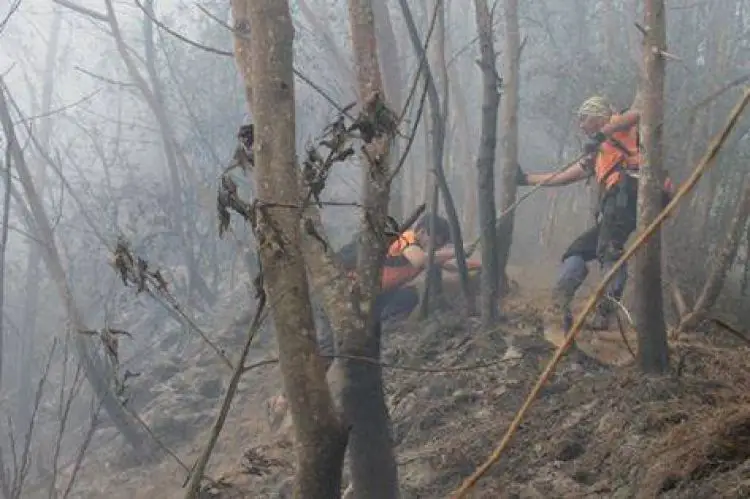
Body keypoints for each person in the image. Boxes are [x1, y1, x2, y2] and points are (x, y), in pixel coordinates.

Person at [515, 95, 672, 332]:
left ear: (599, 117)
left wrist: (602, 134)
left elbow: (638, 113)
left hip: (625, 197)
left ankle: (603, 314)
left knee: (610, 252)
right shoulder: (598, 153)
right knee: (579, 249)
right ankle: (560, 301)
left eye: (584, 119)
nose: (581, 125)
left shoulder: (619, 125)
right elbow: (564, 177)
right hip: (619, 206)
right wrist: (526, 179)